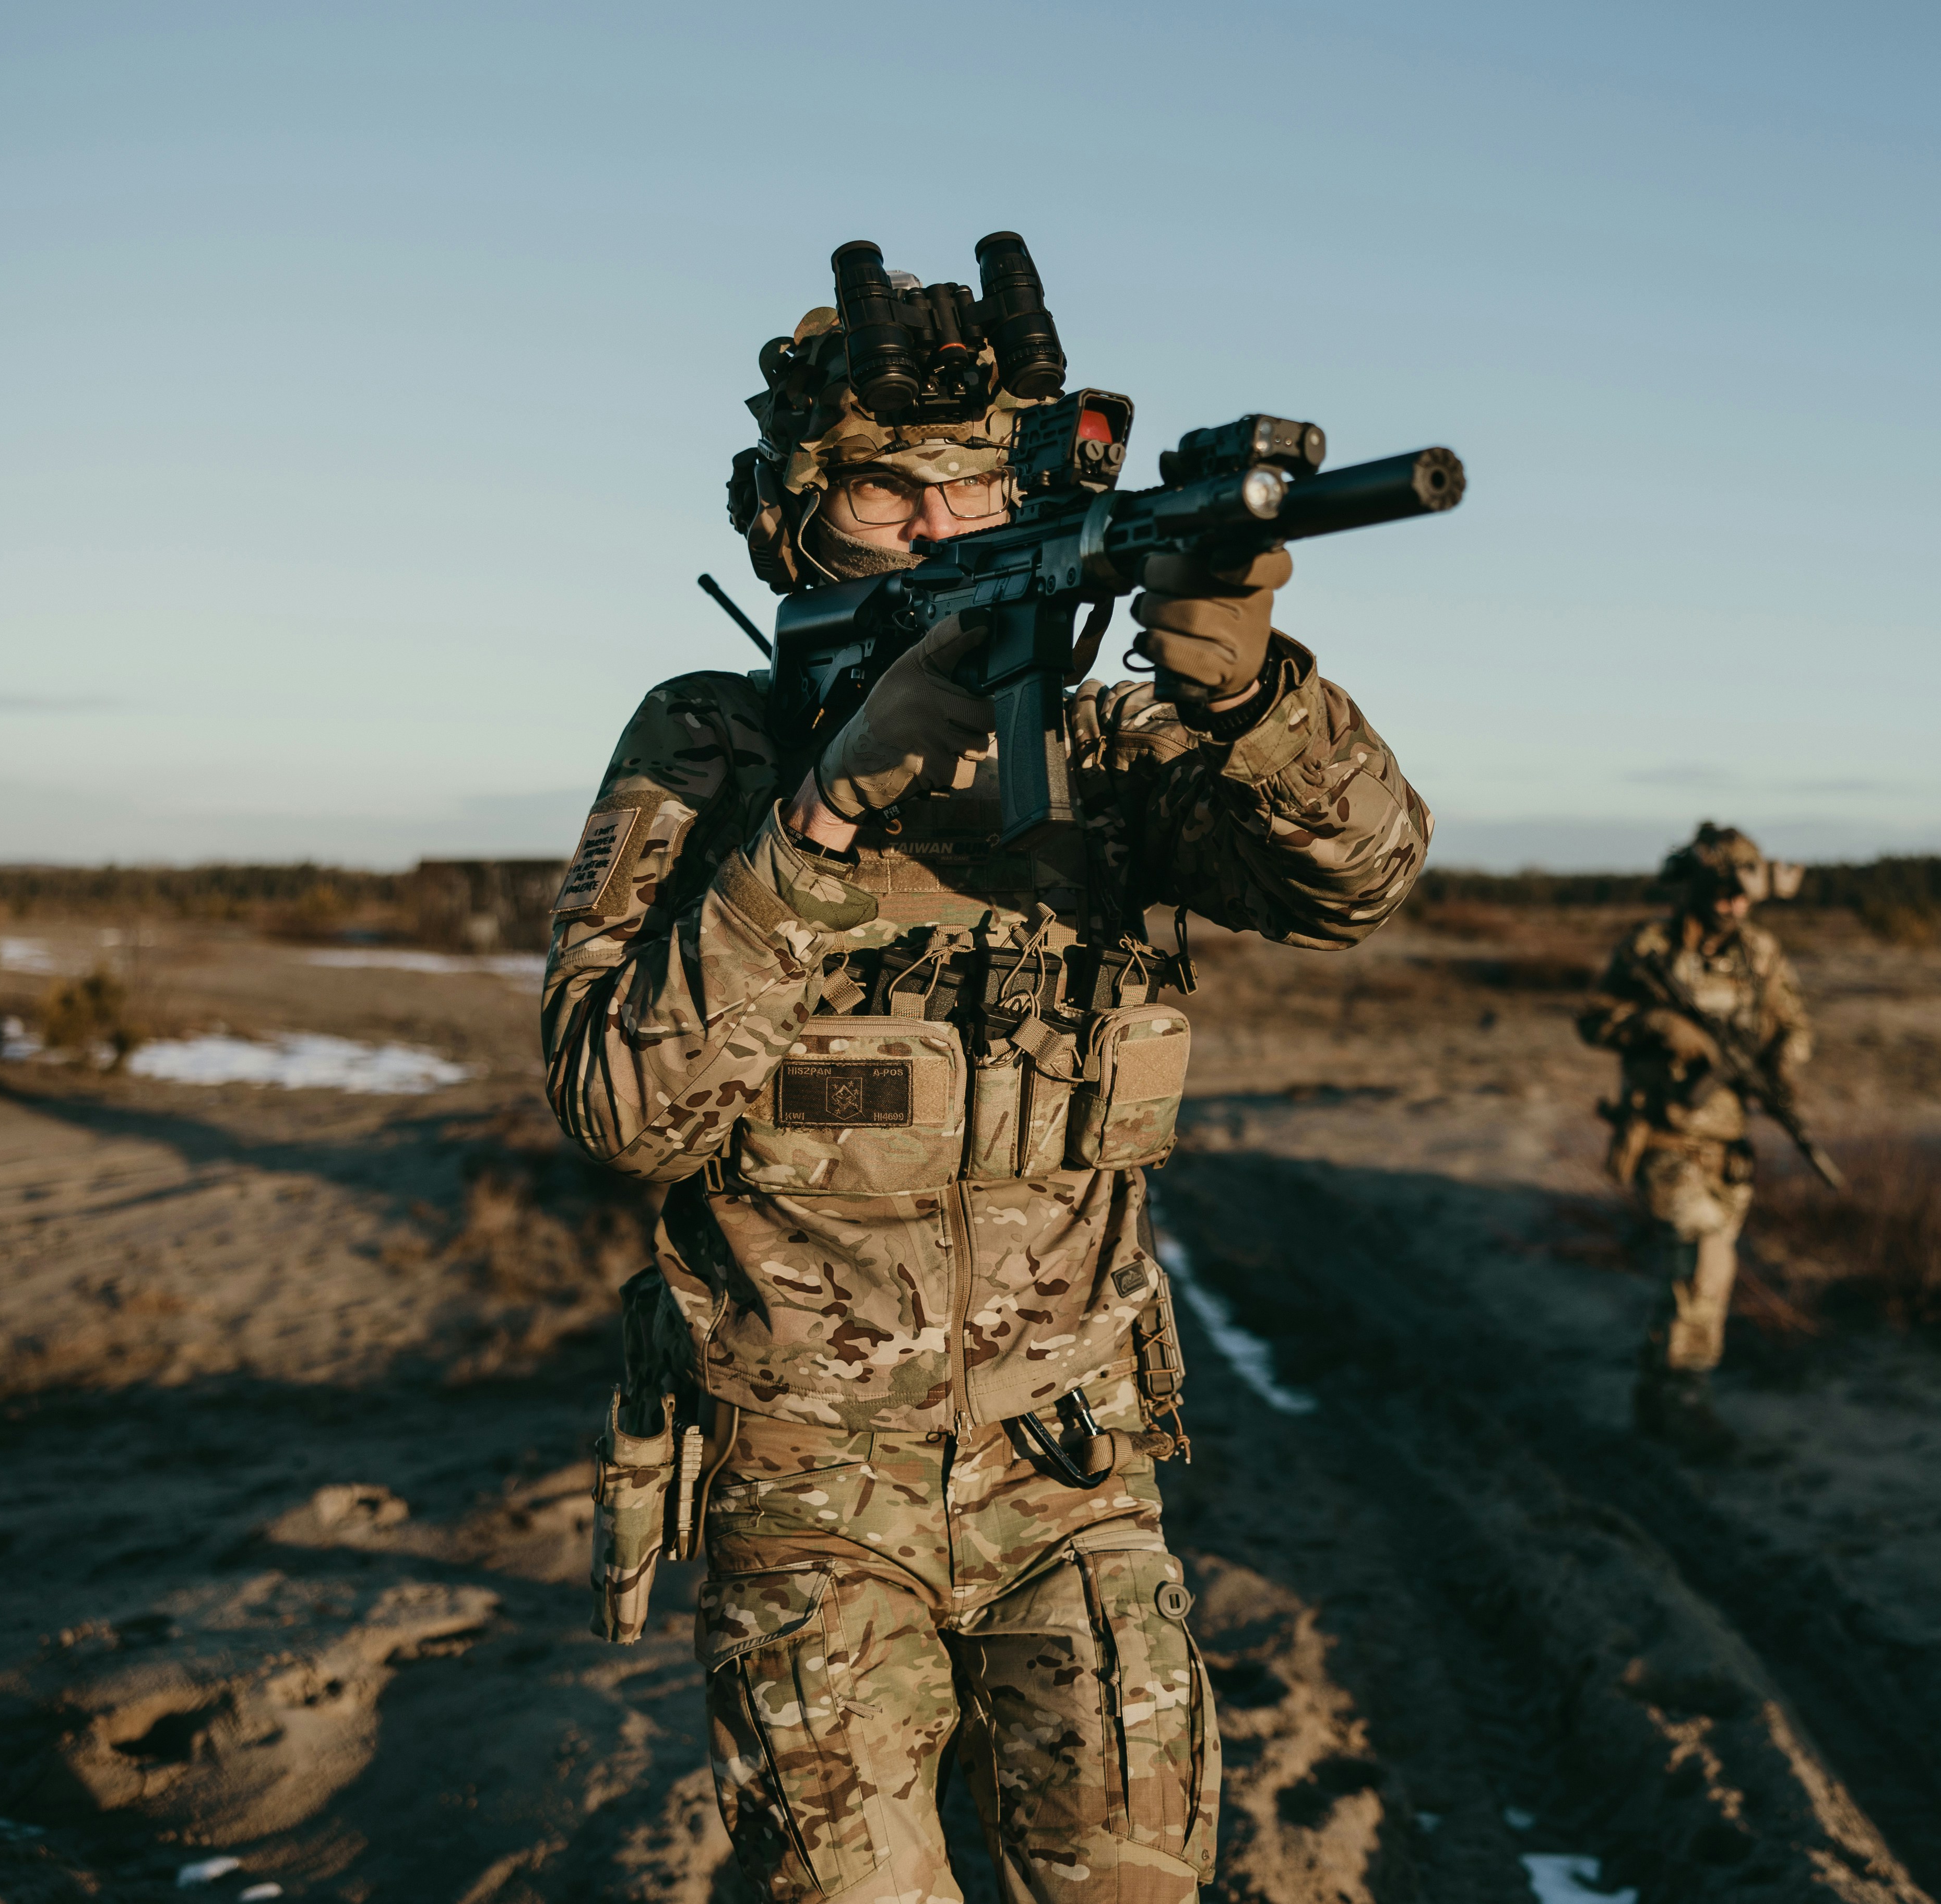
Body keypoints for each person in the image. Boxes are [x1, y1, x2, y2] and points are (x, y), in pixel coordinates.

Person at [541, 271, 1428, 1903]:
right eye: (892, 491)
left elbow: (1358, 880)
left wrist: (1253, 696)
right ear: (796, 521)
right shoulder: (710, 747)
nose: (944, 527)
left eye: (983, 490)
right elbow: (622, 1103)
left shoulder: (1112, 759)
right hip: (807, 1490)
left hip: (1074, 1478)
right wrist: (819, 821)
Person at [1576, 823, 1812, 1454]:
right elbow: (1593, 1020)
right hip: (1662, 1138)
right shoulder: (1651, 947)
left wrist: (1779, 1066)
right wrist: (1654, 1025)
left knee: (1700, 1279)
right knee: (1704, 1256)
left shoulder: (1760, 954)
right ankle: (1685, 1399)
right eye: (1724, 891)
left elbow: (1795, 1025)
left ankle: (1657, 1394)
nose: (1734, 905)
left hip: (1728, 1146)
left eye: (1744, 895)